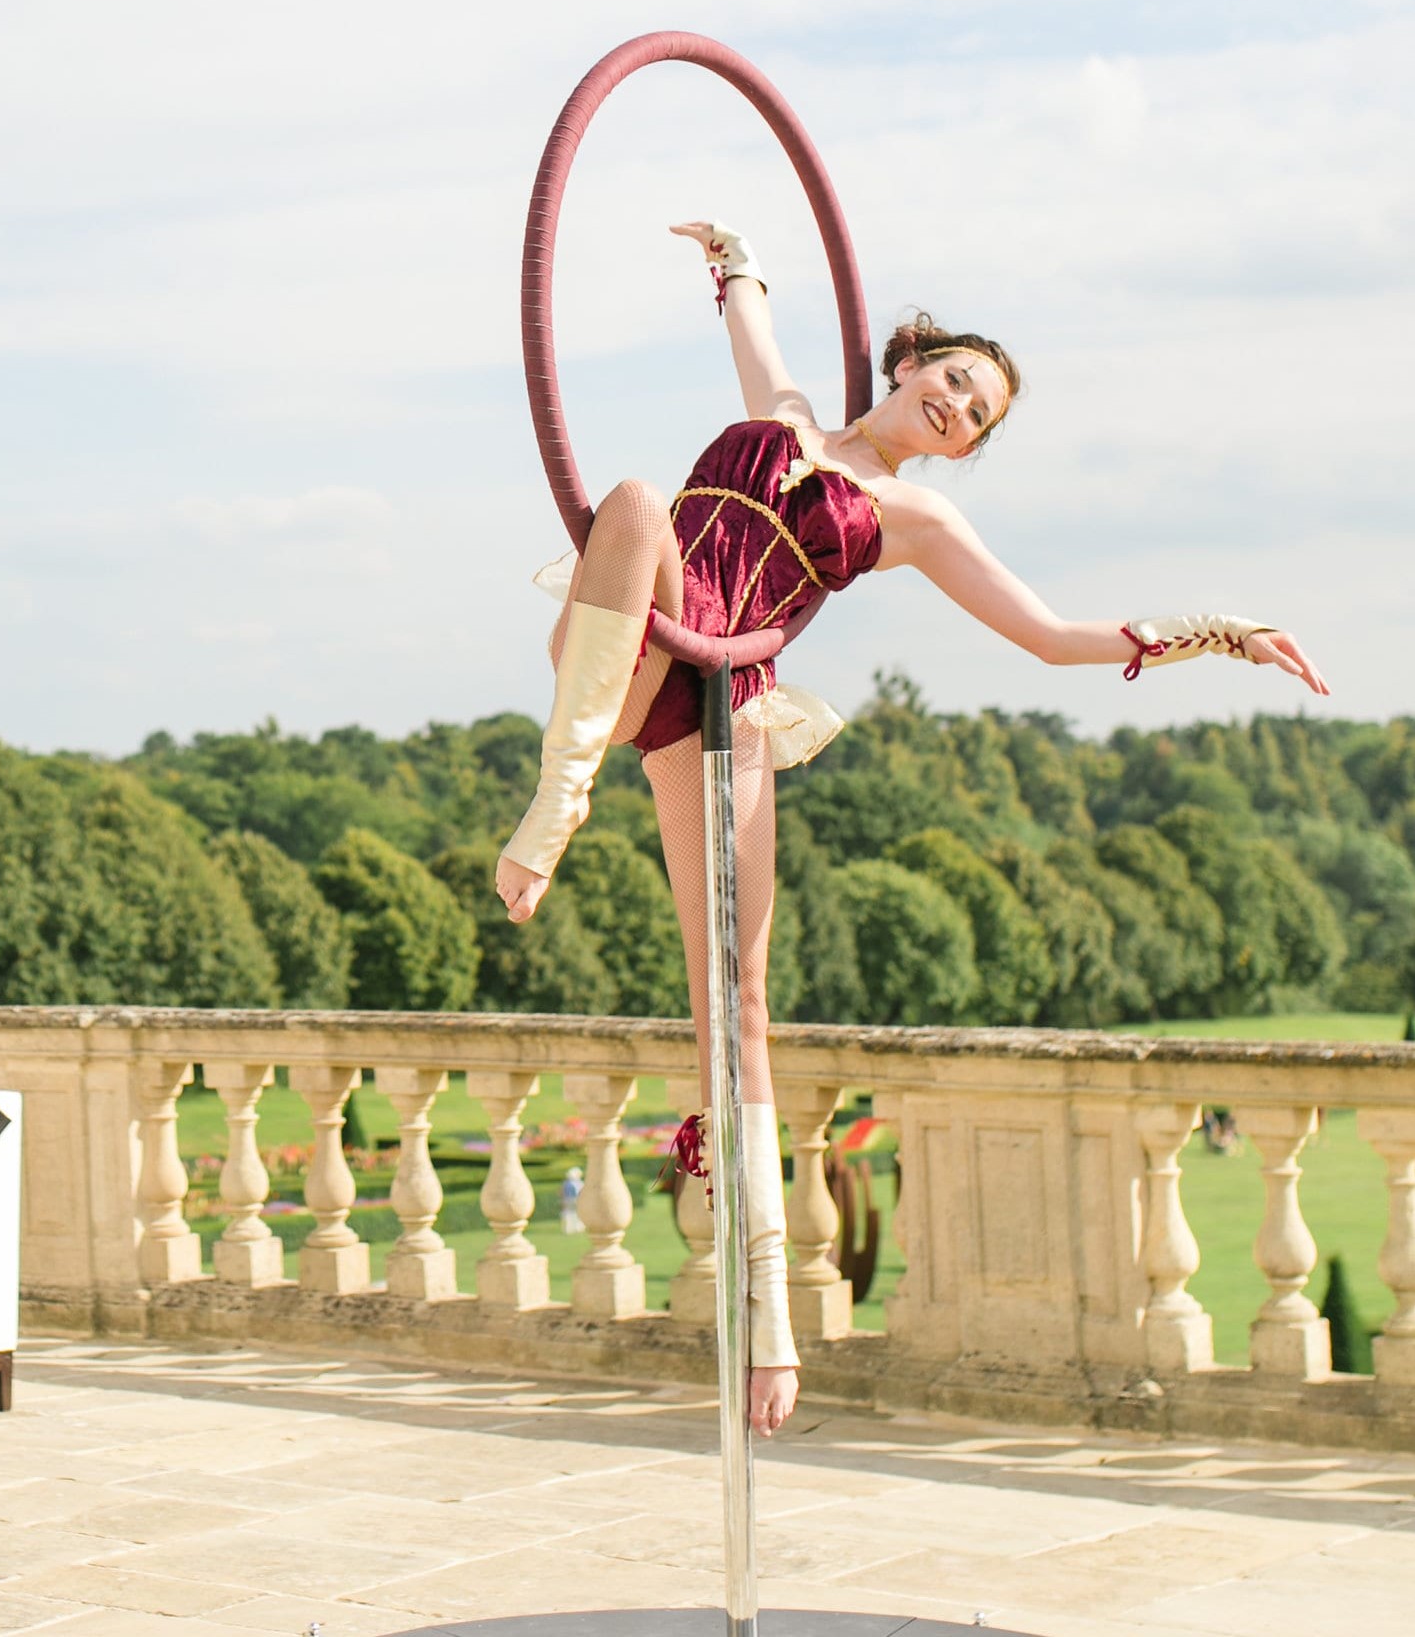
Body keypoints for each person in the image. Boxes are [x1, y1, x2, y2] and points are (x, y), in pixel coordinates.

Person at [495, 219, 1328, 1440]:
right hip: (631, 648)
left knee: (738, 1001)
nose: (954, 407)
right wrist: (733, 257)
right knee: (628, 499)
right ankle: (554, 802)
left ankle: (769, 1320)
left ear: (968, 445)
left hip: (722, 702)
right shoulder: (780, 410)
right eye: (953, 380)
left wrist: (1216, 629)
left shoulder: (912, 521)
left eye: (974, 415)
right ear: (911, 361)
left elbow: (1048, 635)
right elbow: (750, 318)